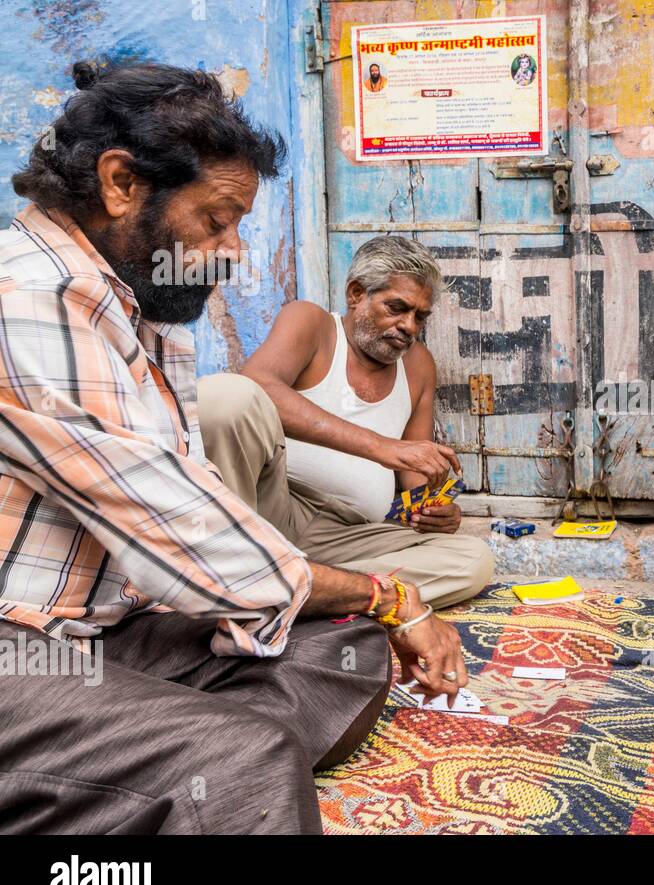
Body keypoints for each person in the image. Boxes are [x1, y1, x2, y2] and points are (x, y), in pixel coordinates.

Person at [0, 61, 465, 834]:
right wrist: (389, 593)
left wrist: (371, 600)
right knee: (246, 762)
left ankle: (126, 760)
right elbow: (180, 527)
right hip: (21, 647)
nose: (234, 250)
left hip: (101, 630)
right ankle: (166, 758)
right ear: (122, 184)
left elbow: (197, 508)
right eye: (218, 221)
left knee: (340, 654)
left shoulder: (141, 319)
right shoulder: (27, 300)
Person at [199, 236, 494, 612]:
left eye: (420, 316)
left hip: (352, 538)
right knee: (224, 396)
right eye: (397, 308)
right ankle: (271, 580)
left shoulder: (418, 365)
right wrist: (382, 447)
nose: (409, 326)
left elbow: (414, 478)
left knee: (472, 560)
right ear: (356, 294)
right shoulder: (313, 324)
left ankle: (284, 589)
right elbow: (258, 384)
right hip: (272, 512)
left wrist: (433, 512)